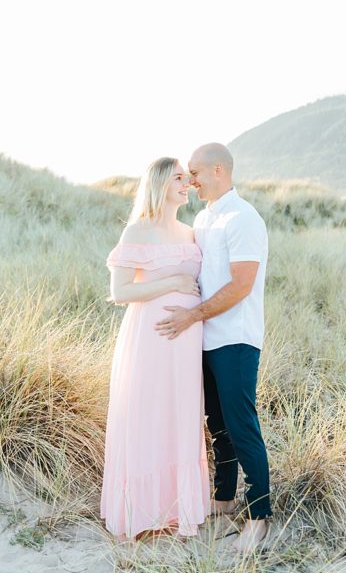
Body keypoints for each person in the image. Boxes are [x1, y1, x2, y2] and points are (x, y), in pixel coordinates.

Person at [154, 142, 272, 552]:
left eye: (196, 173)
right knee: (217, 426)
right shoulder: (204, 218)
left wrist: (191, 315)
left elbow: (241, 285)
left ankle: (260, 516)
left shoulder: (244, 218)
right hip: (204, 341)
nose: (191, 180)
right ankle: (222, 503)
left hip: (235, 338)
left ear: (218, 170)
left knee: (242, 427)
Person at [101, 157, 211, 540]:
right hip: (150, 337)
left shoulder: (189, 231)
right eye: (179, 178)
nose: (188, 184)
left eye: (188, 178)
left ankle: (177, 509)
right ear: (161, 183)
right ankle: (141, 512)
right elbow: (120, 292)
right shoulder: (138, 231)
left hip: (186, 343)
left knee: (179, 416)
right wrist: (173, 283)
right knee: (147, 414)